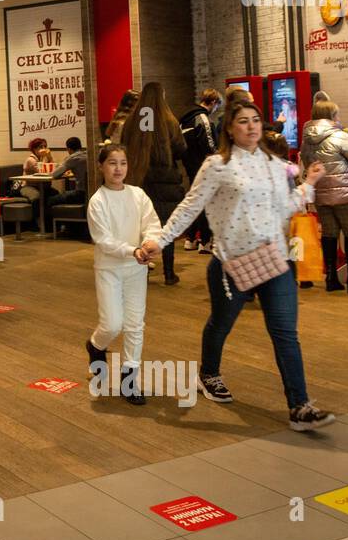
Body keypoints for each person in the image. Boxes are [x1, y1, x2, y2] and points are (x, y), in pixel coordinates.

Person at [141, 100, 336, 431]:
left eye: (255, 120)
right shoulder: (217, 165)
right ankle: (209, 373)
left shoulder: (274, 164)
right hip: (232, 262)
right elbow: (190, 206)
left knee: (285, 333)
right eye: (243, 121)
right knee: (220, 323)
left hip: (274, 260)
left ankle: (300, 406)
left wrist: (309, 185)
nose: (251, 126)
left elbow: (285, 207)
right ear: (229, 129)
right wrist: (159, 241)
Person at [86, 145, 162, 405]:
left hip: (136, 269)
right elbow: (103, 240)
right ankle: (96, 345)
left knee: (135, 325)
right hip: (109, 269)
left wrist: (150, 242)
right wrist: (133, 250)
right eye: (112, 163)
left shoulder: (138, 195)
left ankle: (129, 382)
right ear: (102, 166)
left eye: (123, 163)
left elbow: (151, 224)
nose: (118, 168)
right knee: (112, 325)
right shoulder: (98, 201)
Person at [121, 82, 188, 286]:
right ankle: (169, 273)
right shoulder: (168, 120)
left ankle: (143, 270)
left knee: (142, 227)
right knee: (164, 227)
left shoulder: (133, 120)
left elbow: (125, 144)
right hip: (165, 180)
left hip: (138, 178)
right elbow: (180, 148)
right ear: (162, 95)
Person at [300, 98, 348, 294]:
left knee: (329, 235)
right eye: (336, 114)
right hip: (345, 195)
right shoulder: (340, 136)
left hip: (321, 195)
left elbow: (306, 164)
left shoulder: (306, 140)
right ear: (332, 116)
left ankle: (331, 278)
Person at [178, 89, 223, 252]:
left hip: (189, 165)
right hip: (202, 165)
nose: (216, 110)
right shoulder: (202, 119)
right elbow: (210, 145)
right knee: (205, 202)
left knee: (194, 201)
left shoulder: (185, 119)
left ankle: (190, 238)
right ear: (213, 102)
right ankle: (204, 241)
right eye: (217, 106)